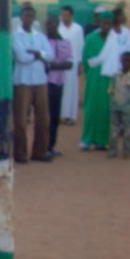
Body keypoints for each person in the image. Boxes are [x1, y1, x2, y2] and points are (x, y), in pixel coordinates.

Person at [12, 3, 53, 163]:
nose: (28, 18)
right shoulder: (16, 36)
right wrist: (40, 55)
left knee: (43, 118)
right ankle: (20, 153)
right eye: (25, 15)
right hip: (22, 81)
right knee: (21, 119)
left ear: (34, 18)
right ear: (21, 18)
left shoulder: (40, 36)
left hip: (40, 80)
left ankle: (40, 152)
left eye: (31, 16)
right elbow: (22, 58)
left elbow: (50, 55)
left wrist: (37, 53)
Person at [81, 8, 118, 151]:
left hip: (109, 79)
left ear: (112, 24)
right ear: (99, 23)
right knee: (91, 107)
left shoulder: (115, 40)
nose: (106, 25)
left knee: (105, 109)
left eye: (109, 23)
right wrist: (91, 72)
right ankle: (86, 139)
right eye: (104, 22)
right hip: (93, 78)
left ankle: (101, 141)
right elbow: (85, 59)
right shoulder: (90, 38)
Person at [43, 14, 73, 158]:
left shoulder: (65, 42)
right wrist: (59, 65)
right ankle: (44, 146)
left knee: (55, 116)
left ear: (57, 25)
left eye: (53, 24)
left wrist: (53, 65)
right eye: (48, 24)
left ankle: (51, 145)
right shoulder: (42, 42)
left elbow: (70, 63)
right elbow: (44, 64)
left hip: (59, 83)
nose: (50, 27)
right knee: (45, 117)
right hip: (45, 83)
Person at [107, 51, 130, 158]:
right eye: (125, 60)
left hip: (128, 108)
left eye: (129, 61)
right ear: (120, 61)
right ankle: (112, 150)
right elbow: (111, 91)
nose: (127, 63)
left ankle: (127, 151)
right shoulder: (114, 76)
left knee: (128, 131)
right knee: (113, 130)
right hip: (115, 107)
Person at [58, 5, 84, 125]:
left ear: (71, 16)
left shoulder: (78, 29)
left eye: (67, 15)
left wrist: (80, 64)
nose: (65, 17)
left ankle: (70, 116)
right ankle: (60, 115)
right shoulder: (59, 28)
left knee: (72, 90)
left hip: (73, 63)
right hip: (61, 64)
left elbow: (80, 47)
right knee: (61, 90)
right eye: (63, 15)